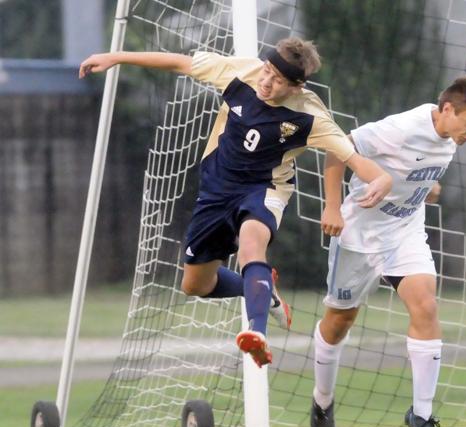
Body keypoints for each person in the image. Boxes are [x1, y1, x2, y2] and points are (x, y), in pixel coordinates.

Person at [79, 38, 393, 368]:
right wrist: (115, 56)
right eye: (267, 71)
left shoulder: (310, 116)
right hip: (216, 191)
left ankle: (256, 332)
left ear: (297, 86)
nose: (267, 82)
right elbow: (179, 63)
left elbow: (351, 157)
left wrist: (380, 179)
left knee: (251, 247)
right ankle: (259, 288)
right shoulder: (241, 73)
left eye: (278, 80)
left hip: (264, 189)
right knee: (195, 285)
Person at [308, 76, 466, 427]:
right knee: (339, 321)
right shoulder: (400, 128)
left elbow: (414, 172)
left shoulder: (449, 140)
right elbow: (337, 148)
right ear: (447, 110)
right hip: (360, 234)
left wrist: (426, 189)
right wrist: (330, 206)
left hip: (405, 234)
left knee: (425, 305)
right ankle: (322, 400)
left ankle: (422, 415)